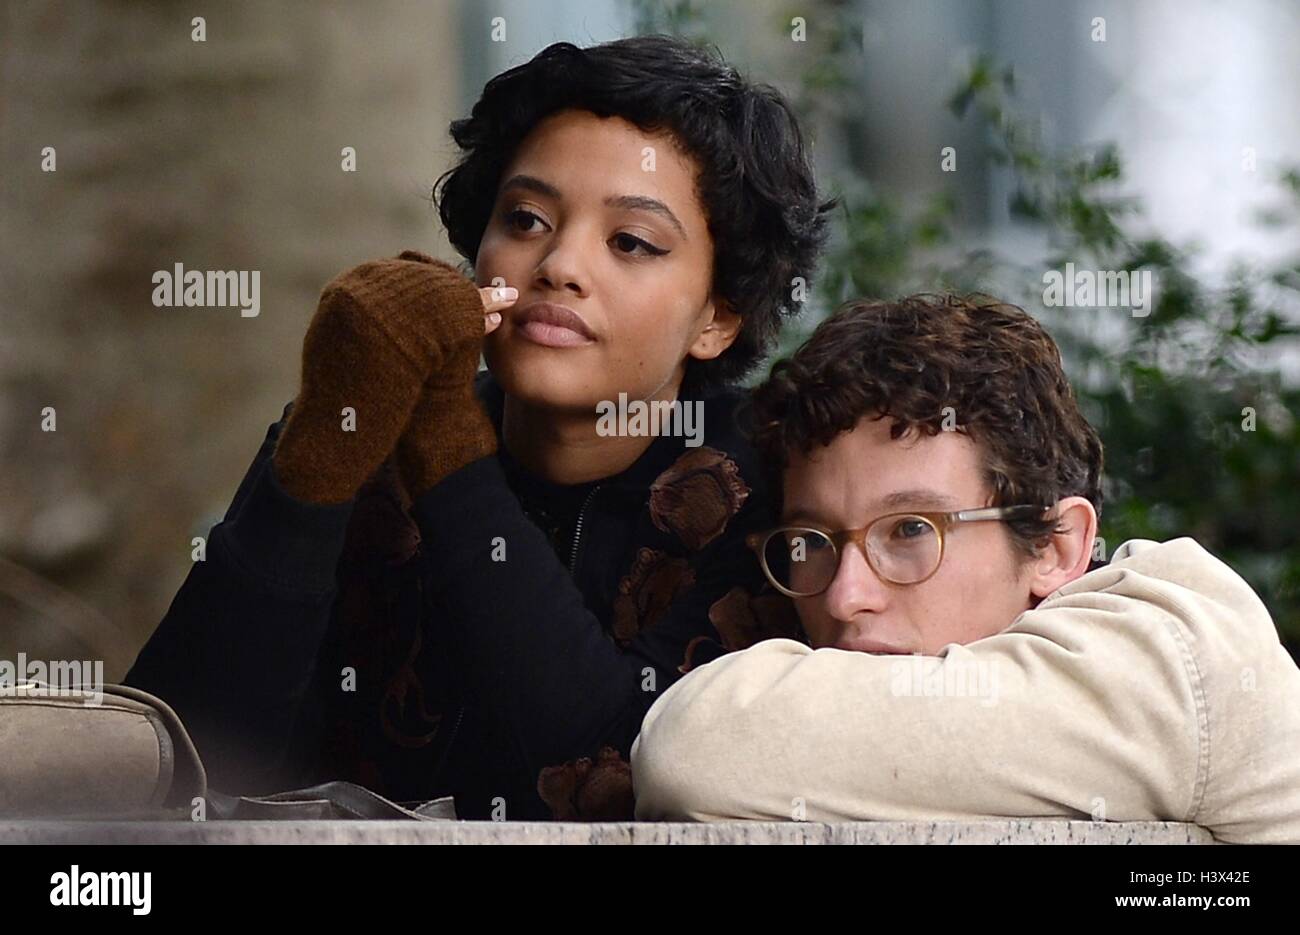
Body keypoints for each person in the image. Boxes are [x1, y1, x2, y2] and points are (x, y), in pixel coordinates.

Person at [125, 35, 833, 820]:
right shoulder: (363, 431)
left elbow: (615, 771)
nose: (560, 263)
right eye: (526, 218)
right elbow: (168, 761)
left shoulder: (763, 492)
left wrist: (443, 436)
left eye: (630, 241)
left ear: (717, 316)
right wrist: (326, 438)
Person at [630, 293, 1300, 843]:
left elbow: (697, 748)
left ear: (1058, 545)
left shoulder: (1173, 658)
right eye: (814, 540)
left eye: (912, 530)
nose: (844, 596)